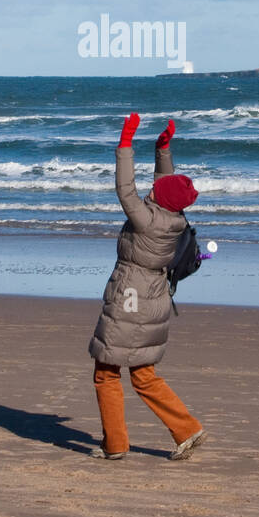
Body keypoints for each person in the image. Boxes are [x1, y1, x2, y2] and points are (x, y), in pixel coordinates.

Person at [88, 112, 207, 460]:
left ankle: (115, 445)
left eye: (155, 189)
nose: (153, 188)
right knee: (143, 374)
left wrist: (125, 143)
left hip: (130, 298)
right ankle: (187, 429)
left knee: (106, 371)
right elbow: (167, 185)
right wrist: (162, 149)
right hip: (153, 298)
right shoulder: (174, 218)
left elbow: (125, 188)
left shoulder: (144, 218)